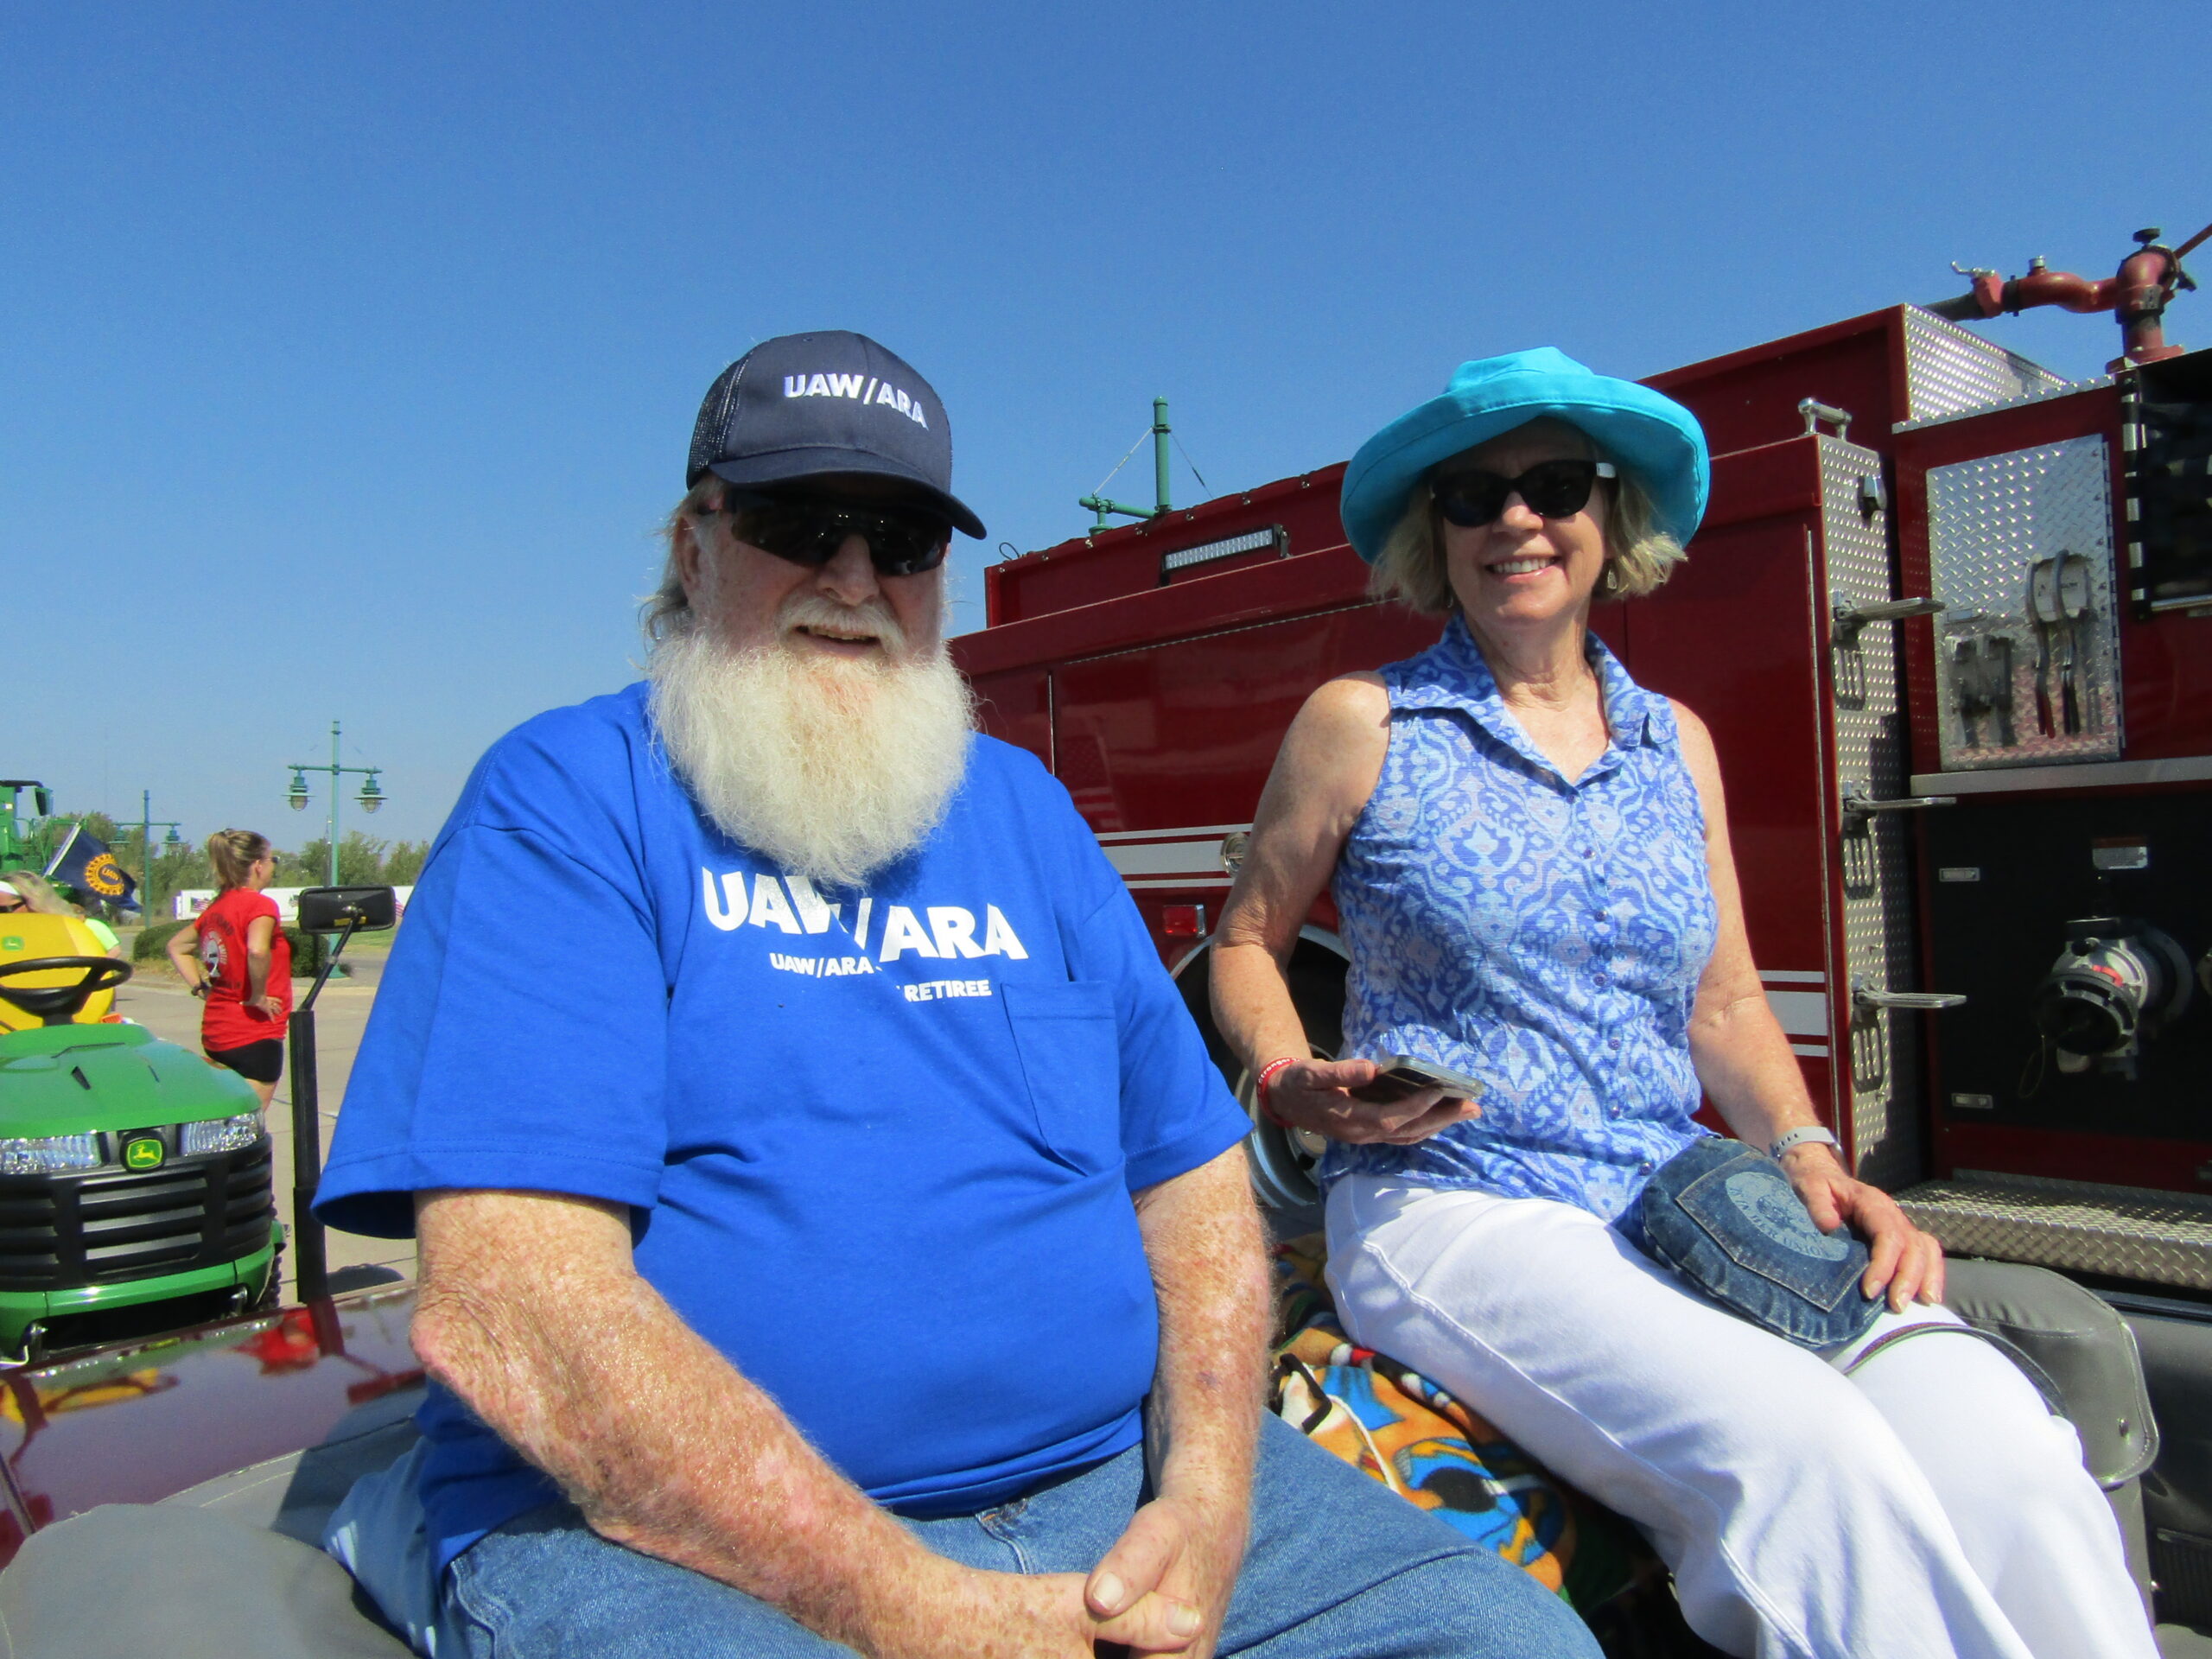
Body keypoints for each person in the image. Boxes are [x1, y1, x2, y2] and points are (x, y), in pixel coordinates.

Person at [312, 331, 1596, 1659]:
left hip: (1114, 1489)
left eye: (904, 541)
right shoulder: (565, 803)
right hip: (664, 1543)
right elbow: (513, 1305)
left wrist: (1211, 1492)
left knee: (1517, 1643)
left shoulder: (1023, 814)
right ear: (695, 548)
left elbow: (1193, 1179)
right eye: (799, 521)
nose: (855, 576)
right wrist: (914, 1608)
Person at [1210, 348, 2156, 1659]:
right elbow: (1246, 938)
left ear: (1614, 518)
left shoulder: (1678, 744)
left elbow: (1726, 1005)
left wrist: (1816, 1158)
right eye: (1475, 497)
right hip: (1457, 1204)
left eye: (1555, 483)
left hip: (1680, 1190)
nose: (1518, 519)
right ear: (1437, 535)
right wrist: (1289, 1079)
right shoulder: (1362, 722)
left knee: (2002, 1440)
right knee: (1801, 1457)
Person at [167, 830, 291, 1105]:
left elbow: (176, 946)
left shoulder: (216, 908)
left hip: (217, 1031)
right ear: (258, 865)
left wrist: (200, 987)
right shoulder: (260, 905)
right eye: (273, 860)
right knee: (247, 1127)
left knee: (220, 1118)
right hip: (254, 1033)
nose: (273, 866)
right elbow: (257, 950)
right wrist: (258, 996)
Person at [0, 868, 125, 958]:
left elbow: (114, 951)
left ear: (33, 904)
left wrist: (97, 974)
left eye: (3, 910)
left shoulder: (81, 928)